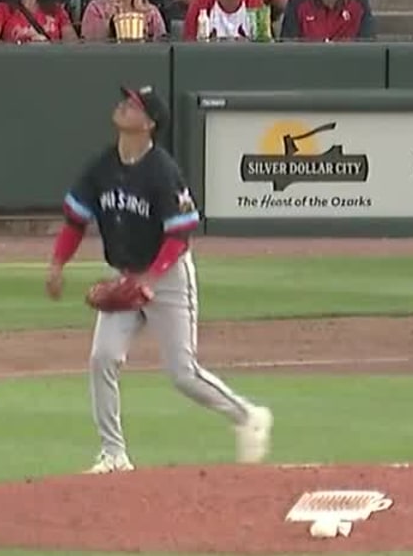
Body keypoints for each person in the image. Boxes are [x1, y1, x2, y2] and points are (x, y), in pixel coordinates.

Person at [45, 85, 275, 474]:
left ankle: (248, 416)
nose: (123, 104)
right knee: (102, 357)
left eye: (133, 104)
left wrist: (151, 278)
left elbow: (179, 233)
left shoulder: (163, 171)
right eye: (125, 99)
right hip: (124, 273)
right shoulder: (101, 166)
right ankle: (113, 453)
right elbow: (75, 220)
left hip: (168, 277)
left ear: (150, 124)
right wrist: (57, 265)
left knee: (182, 374)